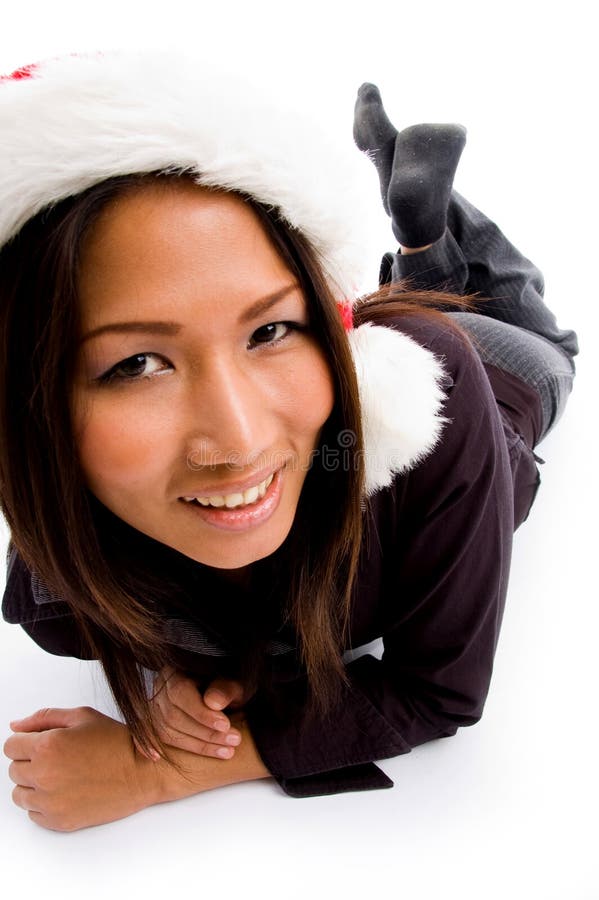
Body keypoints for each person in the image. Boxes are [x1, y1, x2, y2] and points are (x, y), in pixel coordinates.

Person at [0, 53, 578, 832]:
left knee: (532, 325)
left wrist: (165, 766)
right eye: (137, 364)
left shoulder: (421, 399)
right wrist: (190, 656)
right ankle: (413, 243)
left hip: (493, 377)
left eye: (270, 328)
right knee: (414, 305)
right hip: (373, 324)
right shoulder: (59, 604)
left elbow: (435, 692)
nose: (236, 441)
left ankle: (426, 235)